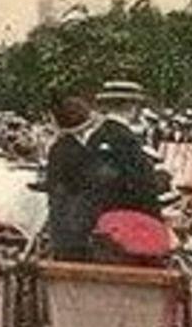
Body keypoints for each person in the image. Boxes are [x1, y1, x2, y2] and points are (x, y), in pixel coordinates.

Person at [37, 93, 168, 261]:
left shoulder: (115, 137)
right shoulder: (64, 148)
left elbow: (143, 186)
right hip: (91, 239)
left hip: (100, 238)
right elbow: (56, 197)